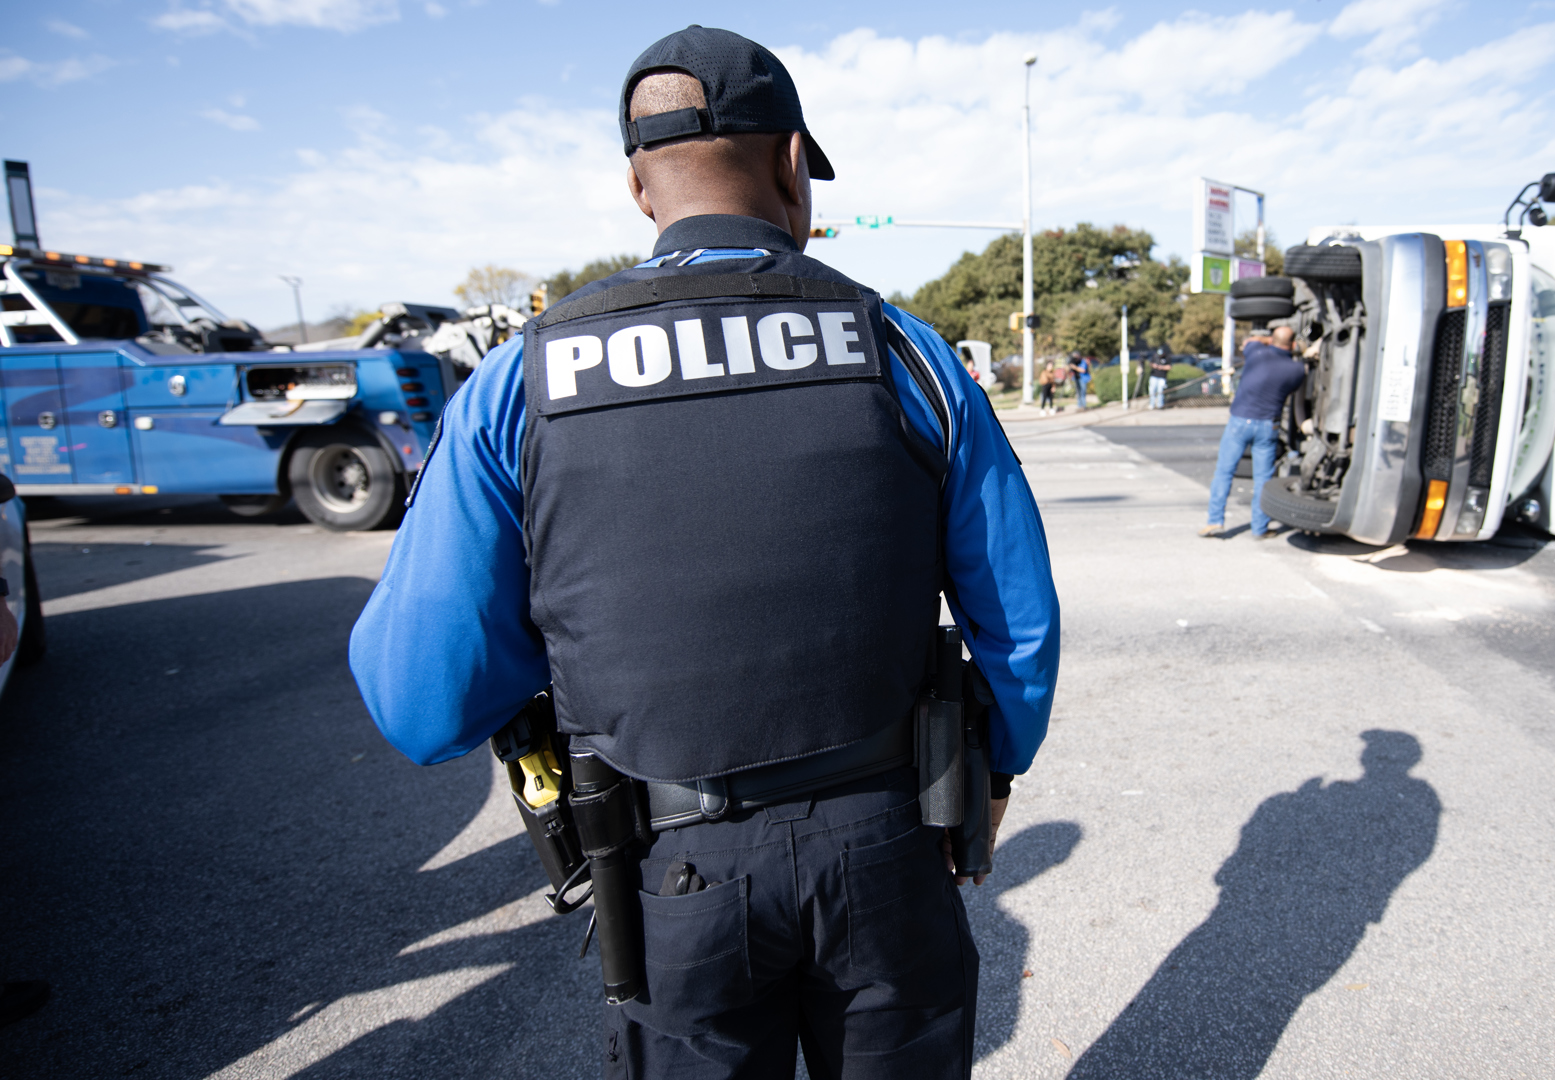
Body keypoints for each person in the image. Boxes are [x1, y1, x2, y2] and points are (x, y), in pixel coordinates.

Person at [349, 25, 1061, 1080]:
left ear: (640, 186)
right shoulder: (904, 350)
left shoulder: (520, 383)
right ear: (789, 163)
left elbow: (421, 699)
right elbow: (1019, 619)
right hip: (891, 842)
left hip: (667, 876)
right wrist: (994, 773)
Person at [1200, 323, 1306, 539]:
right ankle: (1260, 528)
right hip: (1267, 426)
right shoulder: (1296, 370)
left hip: (1239, 422)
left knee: (1223, 472)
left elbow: (1249, 341)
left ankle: (1215, 521)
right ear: (1293, 344)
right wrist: (1303, 351)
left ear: (1272, 340)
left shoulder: (1256, 353)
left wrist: (1268, 341)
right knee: (1262, 480)